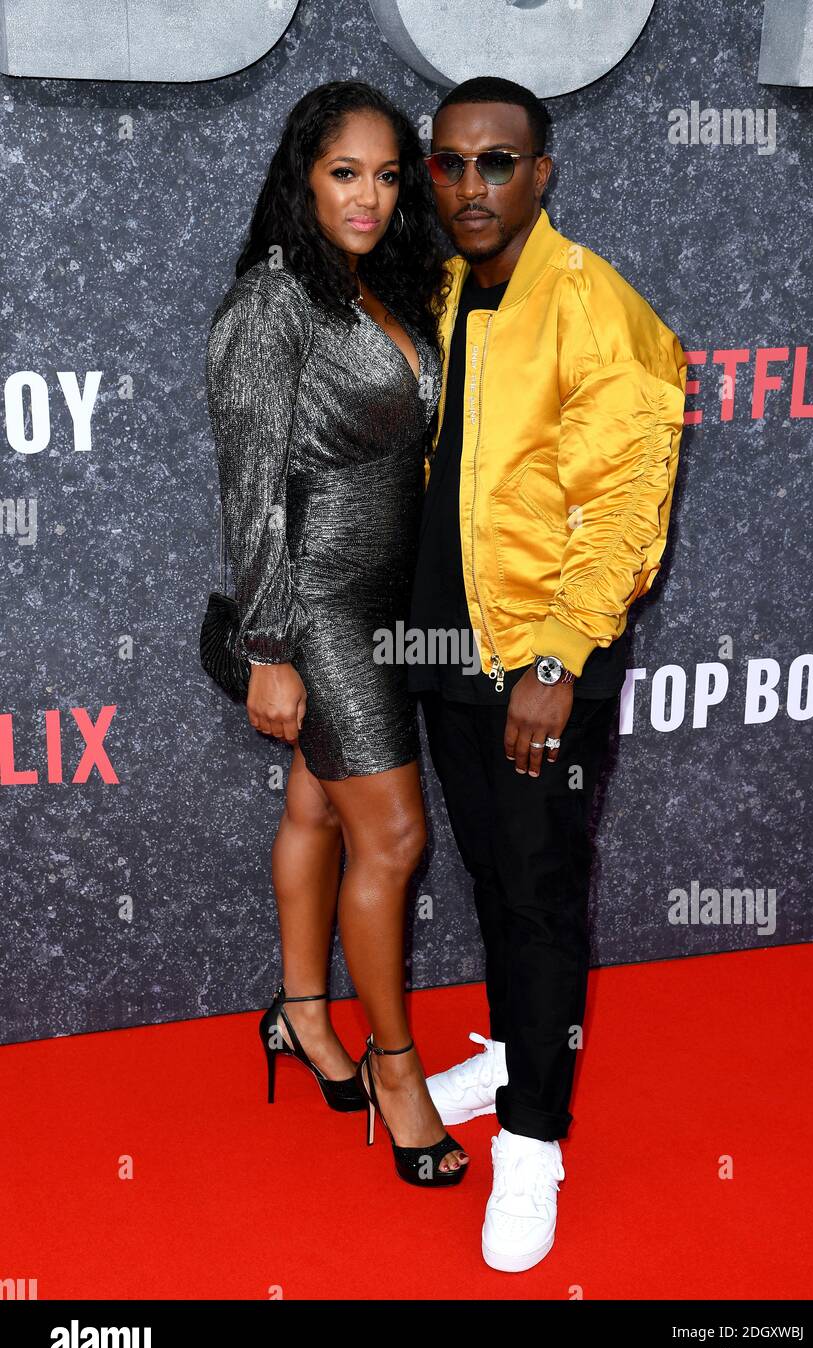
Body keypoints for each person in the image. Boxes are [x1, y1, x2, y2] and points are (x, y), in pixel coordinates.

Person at [407, 76, 688, 1260]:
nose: (471, 186)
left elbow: (625, 509)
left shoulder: (595, 307)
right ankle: (520, 1053)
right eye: (451, 163)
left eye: (497, 162)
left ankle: (532, 1140)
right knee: (486, 870)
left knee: (537, 896)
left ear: (541, 173)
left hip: (534, 662)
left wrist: (557, 658)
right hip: (441, 649)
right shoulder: (441, 291)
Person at [205, 81, 470, 1186]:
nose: (367, 196)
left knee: (317, 804)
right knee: (395, 838)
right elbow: (252, 487)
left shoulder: (383, 286)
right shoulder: (272, 304)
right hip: (316, 609)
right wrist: (268, 645)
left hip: (386, 600)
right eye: (342, 173)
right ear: (301, 178)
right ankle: (395, 1065)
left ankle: (302, 1015)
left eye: (386, 174)